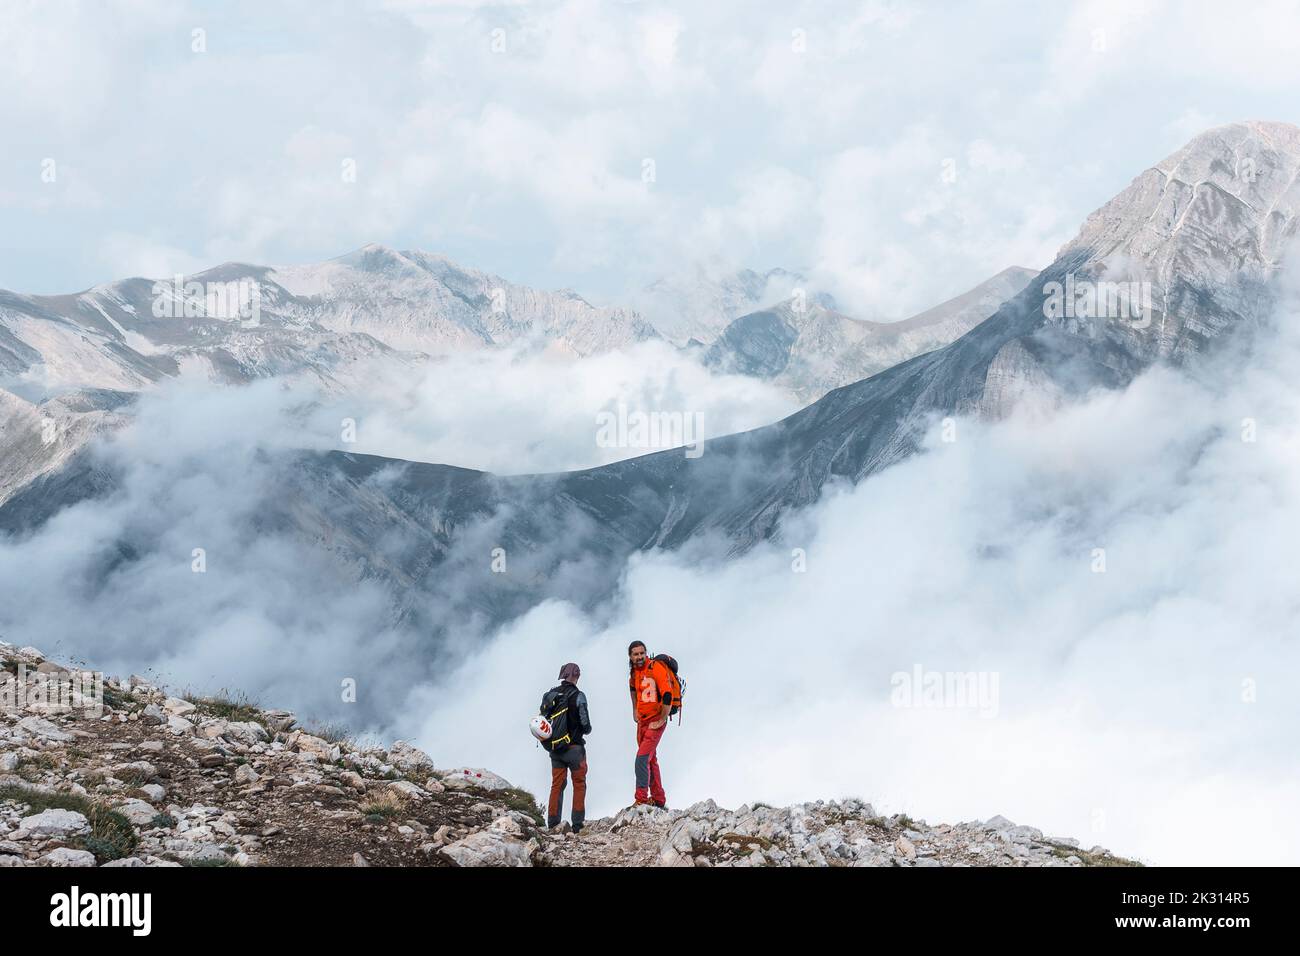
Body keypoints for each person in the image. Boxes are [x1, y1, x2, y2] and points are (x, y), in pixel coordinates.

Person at [542, 662, 592, 832]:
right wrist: (585, 729)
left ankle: (553, 824)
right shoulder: (578, 696)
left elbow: (543, 720)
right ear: (577, 675)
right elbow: (585, 724)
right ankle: (577, 825)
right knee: (579, 783)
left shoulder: (550, 695)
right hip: (574, 749)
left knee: (557, 785)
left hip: (555, 749)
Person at [627, 641, 673, 808]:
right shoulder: (634, 672)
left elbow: (667, 694)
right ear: (630, 657)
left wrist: (661, 720)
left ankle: (641, 800)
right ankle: (659, 800)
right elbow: (632, 689)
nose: (639, 657)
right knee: (651, 760)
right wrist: (635, 711)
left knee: (641, 759)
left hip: (655, 720)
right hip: (642, 721)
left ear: (646, 653)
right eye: (636, 654)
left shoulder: (655, 668)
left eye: (642, 653)